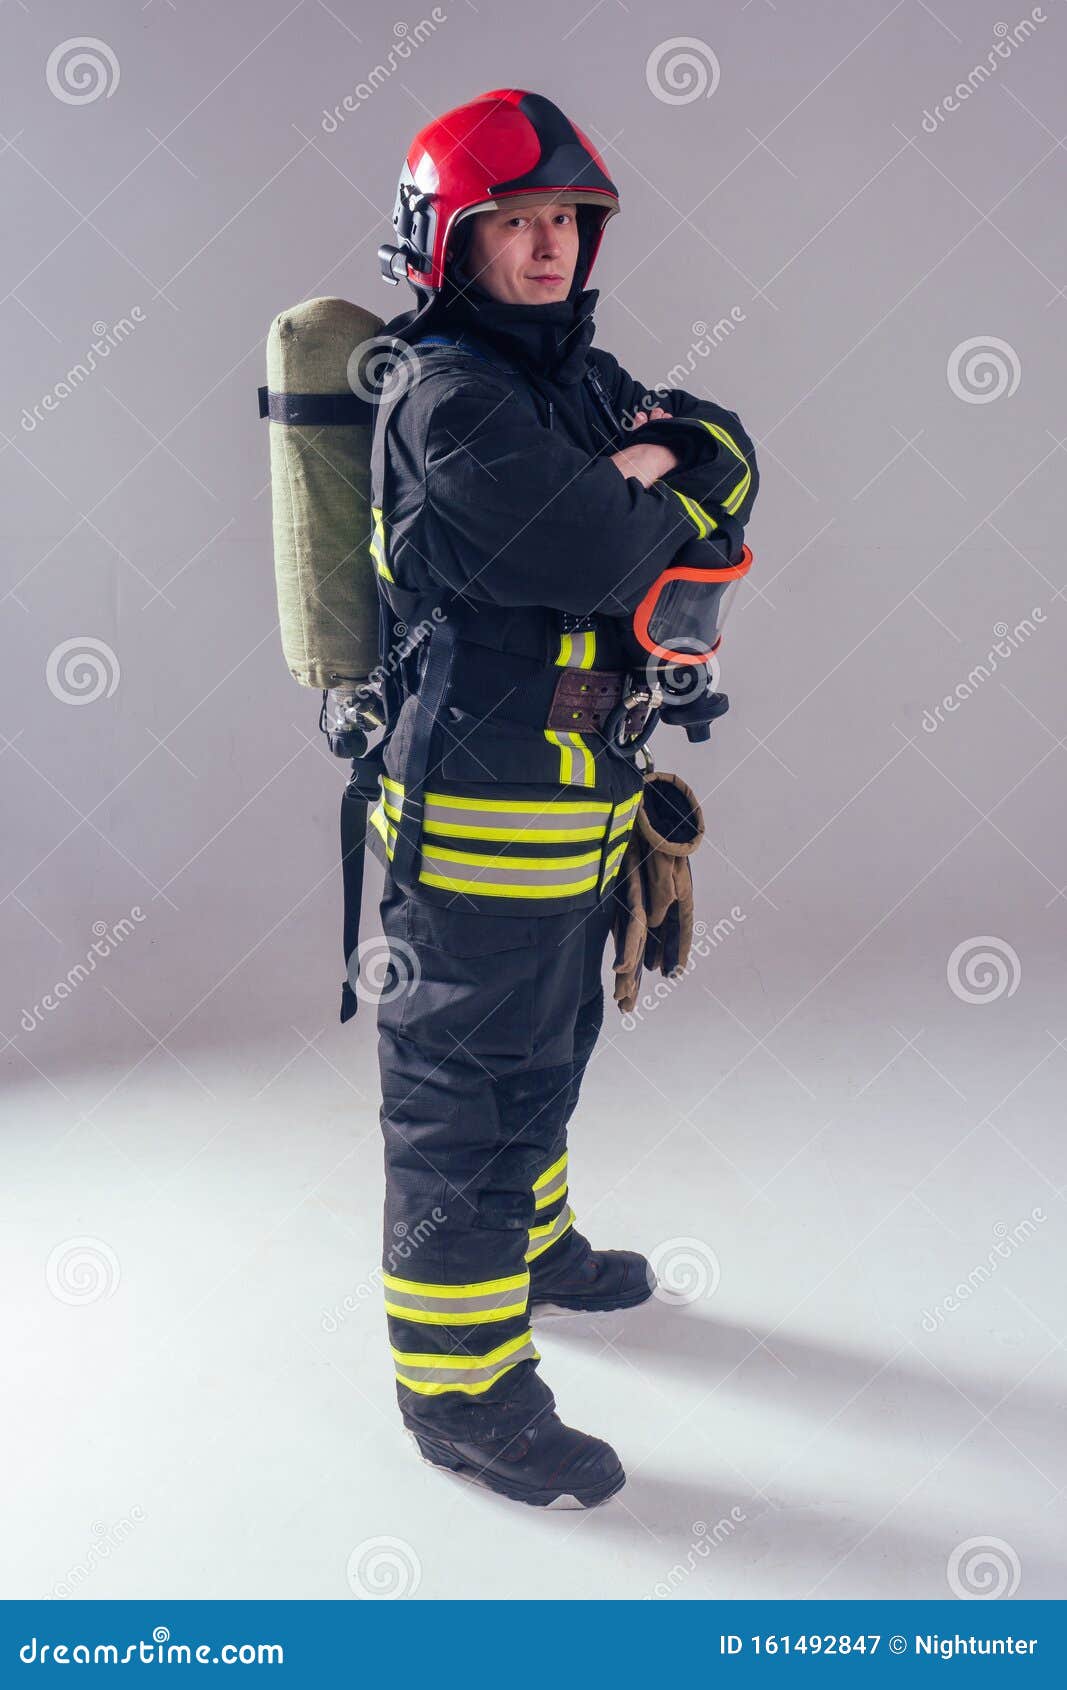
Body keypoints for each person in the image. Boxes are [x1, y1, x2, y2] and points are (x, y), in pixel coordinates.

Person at [365, 88, 759, 1508]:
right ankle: (462, 1392)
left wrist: (660, 467)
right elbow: (610, 545)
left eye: (566, 222)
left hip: (576, 808)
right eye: (514, 223)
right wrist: (660, 488)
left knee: (548, 1051)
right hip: (477, 821)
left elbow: (731, 448)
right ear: (447, 242)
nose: (548, 248)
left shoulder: (578, 382)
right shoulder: (447, 400)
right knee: (462, 1104)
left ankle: (532, 1251)